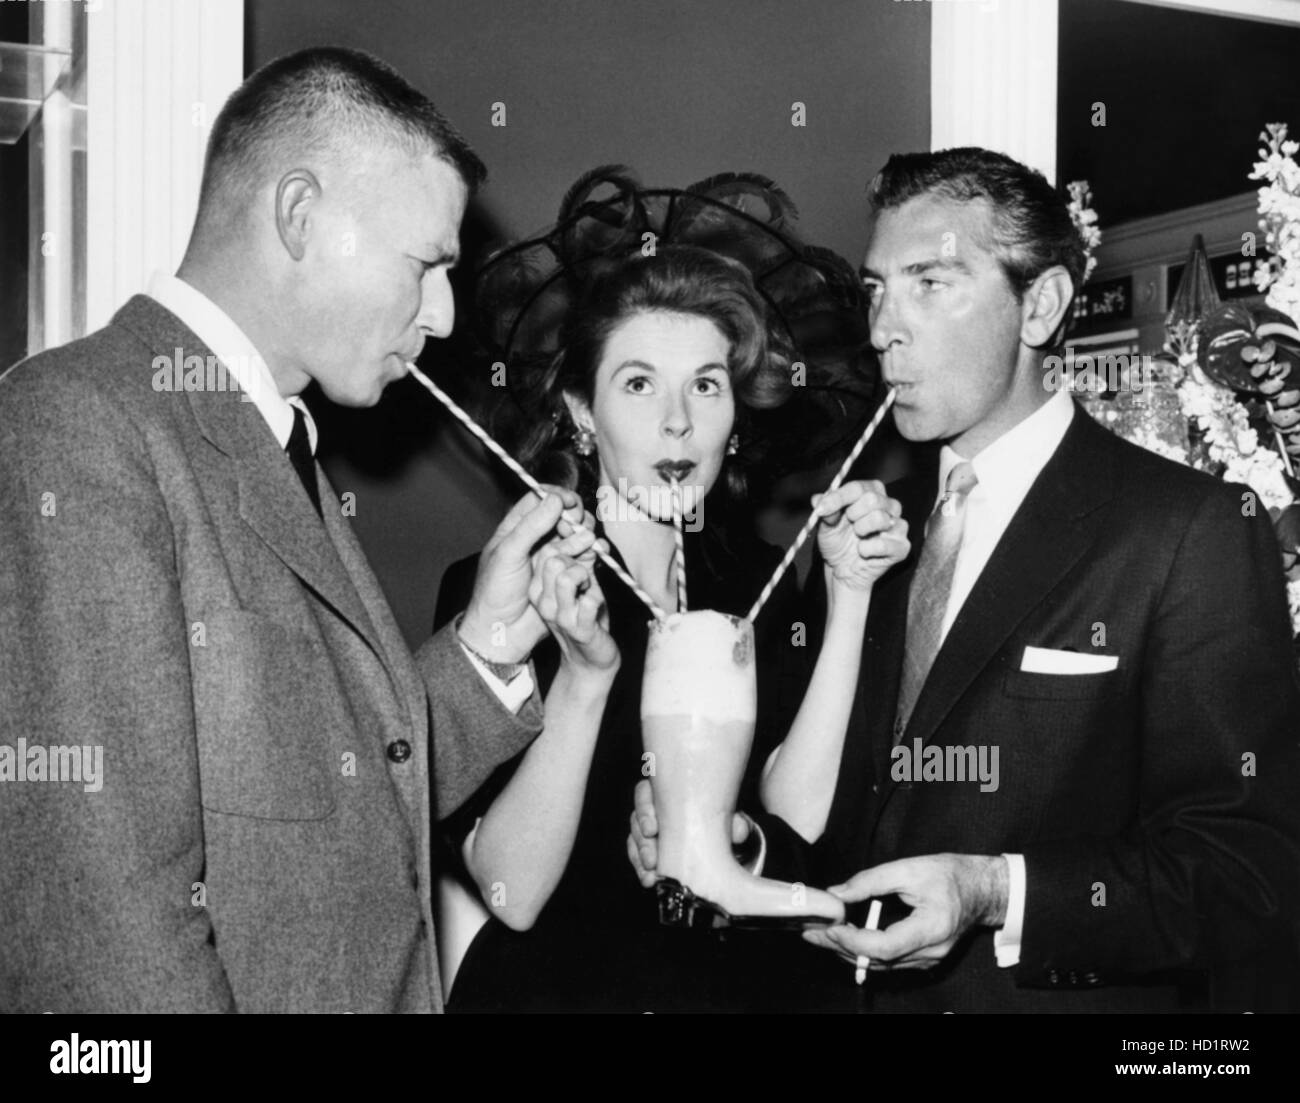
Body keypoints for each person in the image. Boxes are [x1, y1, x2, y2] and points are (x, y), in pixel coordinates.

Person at [0, 46, 600, 1013]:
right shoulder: (78, 425)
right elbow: (105, 936)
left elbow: (338, 794)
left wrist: (493, 640)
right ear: (299, 214)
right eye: (428, 264)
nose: (444, 316)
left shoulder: (274, 440)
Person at [632, 147, 1300, 1012]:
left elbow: (1247, 867)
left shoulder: (1186, 528)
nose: (883, 329)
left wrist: (995, 891)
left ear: (1043, 305)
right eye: (877, 290)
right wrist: (741, 850)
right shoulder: (865, 533)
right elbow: (829, 820)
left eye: (931, 283)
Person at [436, 244, 909, 1012]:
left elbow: (796, 817)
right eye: (639, 383)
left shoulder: (750, 580)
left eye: (707, 385)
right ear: (584, 414)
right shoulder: (511, 585)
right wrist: (587, 678)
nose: (679, 421)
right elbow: (510, 892)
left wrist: (847, 593)